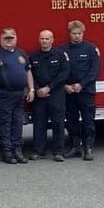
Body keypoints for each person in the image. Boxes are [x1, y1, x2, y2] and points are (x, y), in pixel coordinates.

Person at [0, 28, 35, 164]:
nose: (9, 41)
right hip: (2, 93)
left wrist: (31, 89)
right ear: (1, 38)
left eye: (11, 38)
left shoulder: (21, 53)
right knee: (4, 123)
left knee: (17, 122)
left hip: (19, 93)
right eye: (6, 38)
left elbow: (28, 71)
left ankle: (17, 150)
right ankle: (6, 151)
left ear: (16, 38)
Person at [28, 30, 70, 162]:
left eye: (47, 39)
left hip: (56, 93)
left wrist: (49, 87)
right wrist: (37, 89)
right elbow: (29, 75)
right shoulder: (33, 57)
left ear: (52, 40)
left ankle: (59, 152)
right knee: (39, 124)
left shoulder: (60, 55)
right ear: (39, 40)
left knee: (58, 123)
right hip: (39, 95)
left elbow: (64, 74)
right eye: (42, 39)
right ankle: (39, 151)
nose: (44, 41)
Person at [63, 20, 101, 161]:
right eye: (74, 33)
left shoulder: (91, 48)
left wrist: (82, 84)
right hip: (69, 91)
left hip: (86, 91)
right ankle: (75, 147)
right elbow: (59, 71)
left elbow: (95, 71)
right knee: (71, 120)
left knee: (88, 120)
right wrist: (65, 85)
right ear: (70, 34)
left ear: (83, 33)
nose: (77, 36)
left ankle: (88, 148)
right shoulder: (63, 49)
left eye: (79, 33)